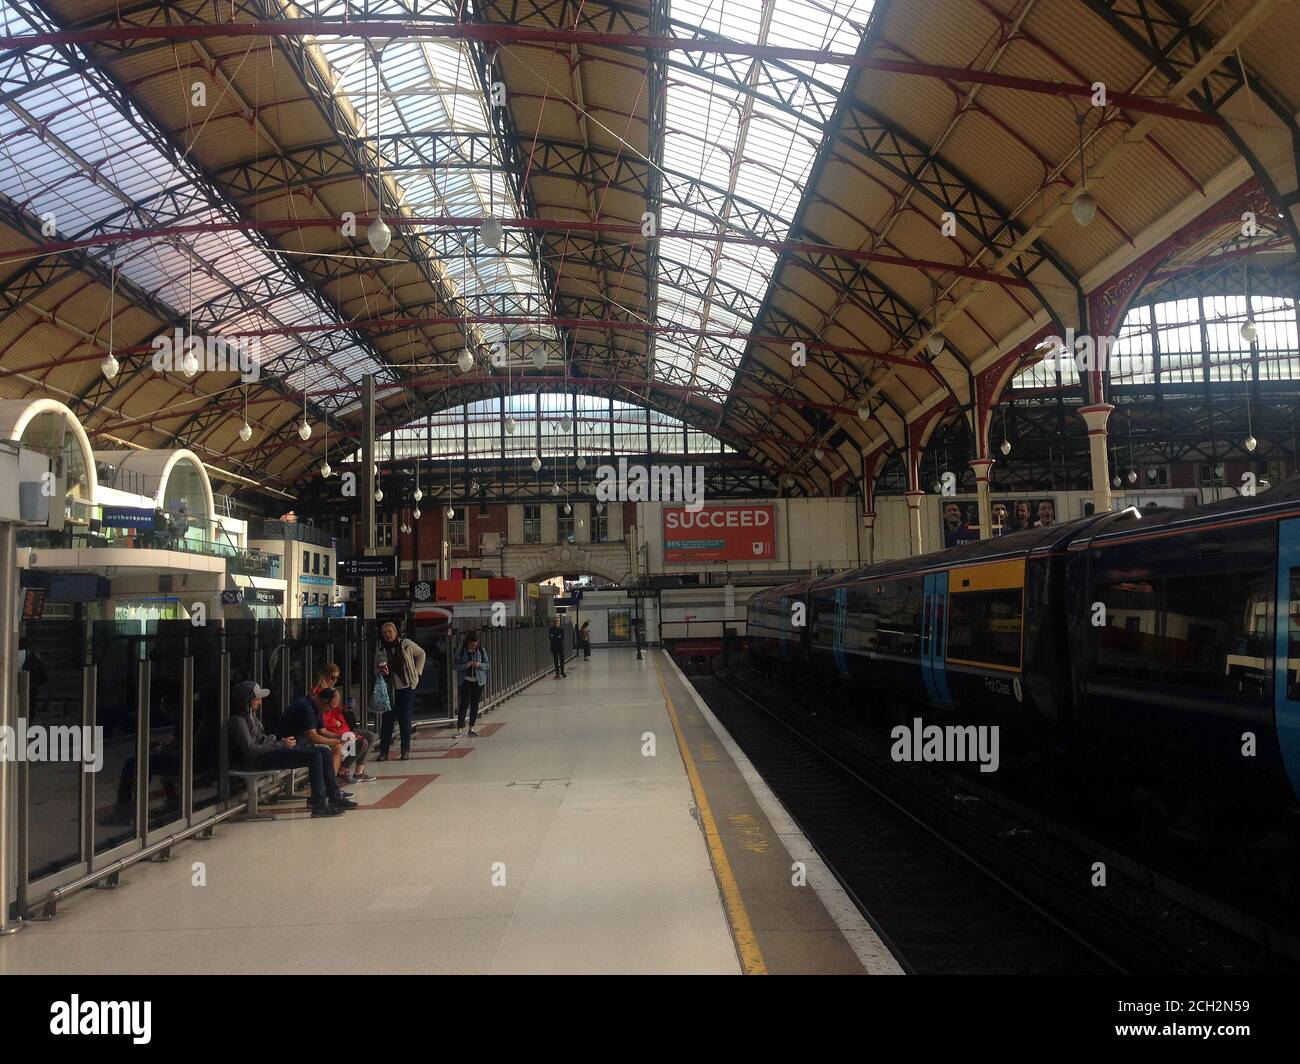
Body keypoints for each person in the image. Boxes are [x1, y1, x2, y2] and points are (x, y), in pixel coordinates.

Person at [227, 680, 355, 817]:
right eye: (257, 699)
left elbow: (321, 731)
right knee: (315, 755)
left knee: (323, 751)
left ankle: (334, 796)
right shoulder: (238, 721)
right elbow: (250, 750)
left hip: (272, 750)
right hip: (261, 758)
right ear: (247, 700)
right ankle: (319, 804)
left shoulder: (251, 717)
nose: (260, 702)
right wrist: (280, 744)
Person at [279, 687, 352, 794]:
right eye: (331, 707)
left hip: (302, 743)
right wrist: (337, 741)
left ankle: (332, 789)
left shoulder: (318, 707)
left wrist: (339, 737)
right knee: (321, 753)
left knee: (334, 748)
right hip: (291, 746)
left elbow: (322, 731)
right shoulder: (306, 708)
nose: (330, 711)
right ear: (324, 700)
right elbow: (313, 737)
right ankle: (325, 792)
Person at [313, 662, 377, 782]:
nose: (334, 680)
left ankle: (359, 771)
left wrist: (343, 710)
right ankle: (342, 771)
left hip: (341, 728)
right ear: (324, 676)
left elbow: (334, 711)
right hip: (332, 730)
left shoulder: (330, 691)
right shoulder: (320, 694)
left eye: (337, 678)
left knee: (370, 735)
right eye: (332, 677)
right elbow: (323, 718)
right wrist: (335, 723)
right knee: (362, 742)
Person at [376, 621, 426, 761]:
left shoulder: (406, 644)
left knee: (405, 719)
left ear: (395, 632)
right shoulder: (380, 651)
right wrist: (380, 670)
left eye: (389, 632)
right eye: (385, 633)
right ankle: (384, 752)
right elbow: (375, 669)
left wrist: (417, 673)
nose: (387, 635)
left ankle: (405, 750)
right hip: (390, 688)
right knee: (387, 720)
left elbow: (421, 654)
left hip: (406, 687)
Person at [454, 631, 490, 738]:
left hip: (478, 681)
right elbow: (455, 666)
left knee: (475, 704)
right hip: (465, 681)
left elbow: (487, 665)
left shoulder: (481, 650)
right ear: (467, 642)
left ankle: (471, 728)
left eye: (475, 644)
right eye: (472, 645)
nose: (474, 646)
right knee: (464, 704)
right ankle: (459, 729)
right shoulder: (461, 650)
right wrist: (466, 665)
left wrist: (479, 665)